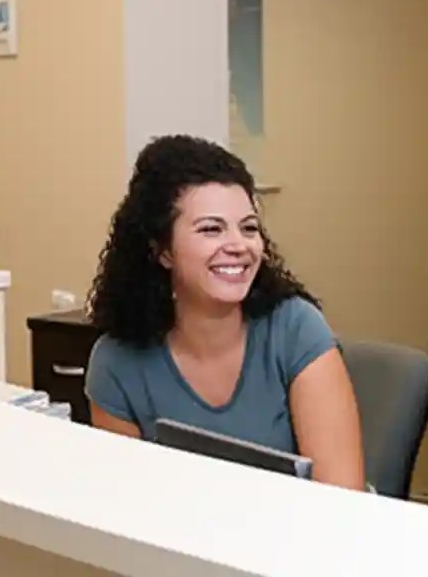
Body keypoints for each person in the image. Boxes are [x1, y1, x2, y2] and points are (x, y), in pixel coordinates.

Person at [84, 135, 366, 491]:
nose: (239, 245)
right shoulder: (116, 363)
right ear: (162, 250)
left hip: (305, 524)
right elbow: (123, 501)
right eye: (211, 229)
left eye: (248, 228)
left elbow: (342, 497)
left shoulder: (296, 328)